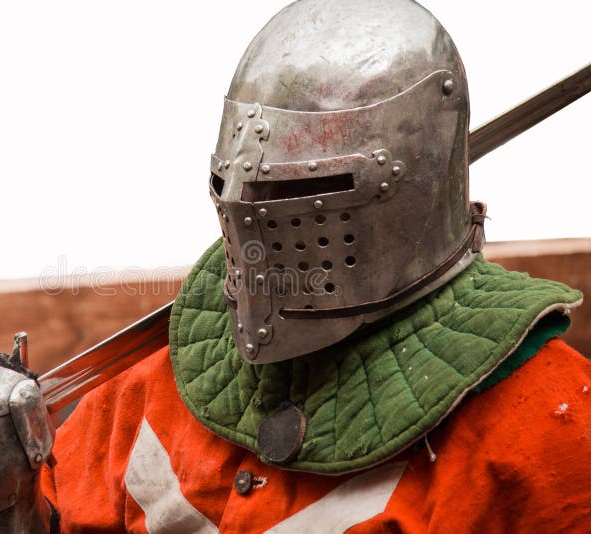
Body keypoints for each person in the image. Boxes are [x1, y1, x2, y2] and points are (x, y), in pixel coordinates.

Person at [41, 0, 591, 532]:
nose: (252, 218)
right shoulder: (144, 387)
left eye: (306, 187)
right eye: (235, 185)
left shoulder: (542, 423)